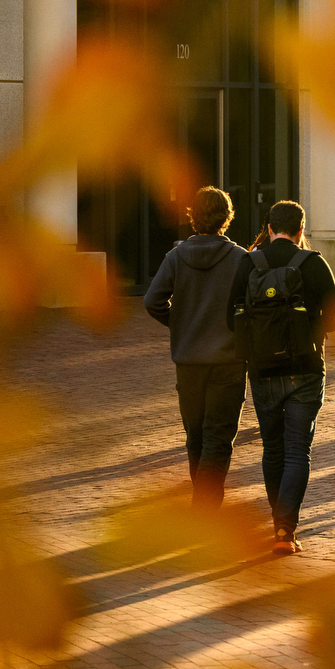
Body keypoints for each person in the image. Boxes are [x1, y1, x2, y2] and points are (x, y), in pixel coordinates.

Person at [227, 201, 335, 556]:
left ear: (268, 227)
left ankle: (278, 521)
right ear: (300, 229)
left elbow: (231, 318)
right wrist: (310, 333)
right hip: (306, 370)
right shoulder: (313, 263)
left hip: (262, 371)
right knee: (298, 451)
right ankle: (285, 529)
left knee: (272, 449)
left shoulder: (249, 262)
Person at [143, 186, 248, 510]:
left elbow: (152, 301)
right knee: (218, 439)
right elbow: (250, 307)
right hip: (228, 361)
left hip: (188, 362)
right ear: (226, 218)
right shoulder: (241, 259)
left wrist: (180, 323)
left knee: (196, 437)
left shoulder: (176, 257)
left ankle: (201, 504)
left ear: (193, 217)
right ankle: (205, 508)